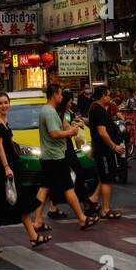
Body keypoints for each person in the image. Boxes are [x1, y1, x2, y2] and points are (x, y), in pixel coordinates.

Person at [0, 91, 49, 255]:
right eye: (1, 103)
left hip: (8, 168)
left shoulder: (4, 121)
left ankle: (33, 237)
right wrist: (6, 167)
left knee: (20, 203)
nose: (4, 106)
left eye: (6, 103)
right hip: (2, 170)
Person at [32, 83, 96, 232]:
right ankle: (82, 218)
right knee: (68, 187)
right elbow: (54, 133)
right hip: (55, 156)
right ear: (54, 94)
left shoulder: (48, 110)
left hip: (49, 156)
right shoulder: (49, 112)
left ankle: (37, 220)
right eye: (60, 94)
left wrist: (70, 128)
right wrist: (71, 133)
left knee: (44, 188)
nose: (62, 97)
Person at [46, 87, 88, 220]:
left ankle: (53, 208)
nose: (71, 103)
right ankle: (84, 207)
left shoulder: (63, 112)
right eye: (70, 101)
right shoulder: (55, 113)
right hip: (63, 149)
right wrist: (74, 129)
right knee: (71, 178)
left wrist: (75, 126)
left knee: (54, 182)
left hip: (64, 148)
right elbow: (60, 131)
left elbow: (66, 127)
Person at [86, 84, 125, 220]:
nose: (110, 98)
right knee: (107, 179)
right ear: (103, 96)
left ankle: (93, 200)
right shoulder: (98, 109)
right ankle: (105, 210)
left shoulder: (97, 108)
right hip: (103, 150)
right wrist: (114, 147)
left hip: (102, 149)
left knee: (104, 177)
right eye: (108, 95)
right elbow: (102, 133)